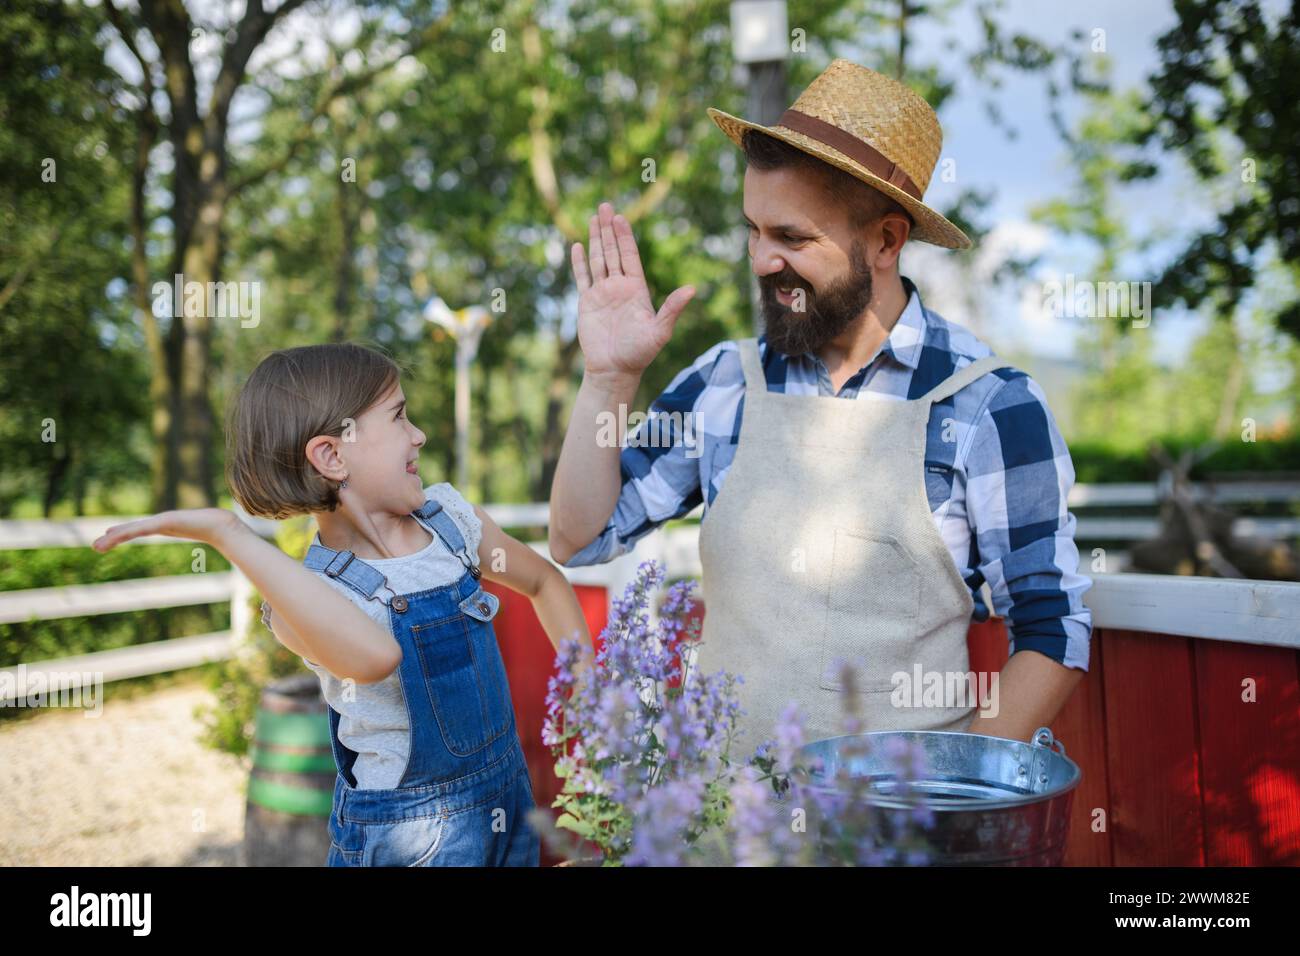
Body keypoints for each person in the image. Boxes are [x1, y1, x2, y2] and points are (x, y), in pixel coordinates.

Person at [548, 59, 1093, 757]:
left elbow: (1053, 625)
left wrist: (958, 801)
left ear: (887, 241)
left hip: (899, 837)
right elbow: (580, 537)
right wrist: (606, 380)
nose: (760, 260)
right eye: (754, 230)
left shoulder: (990, 406)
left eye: (792, 238)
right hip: (726, 834)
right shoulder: (724, 385)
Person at [94, 342, 593, 866]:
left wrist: (595, 702)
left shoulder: (451, 523)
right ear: (332, 455)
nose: (418, 433)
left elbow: (545, 584)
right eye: (399, 416)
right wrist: (231, 536)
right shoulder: (305, 600)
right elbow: (375, 657)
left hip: (508, 804)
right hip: (414, 839)